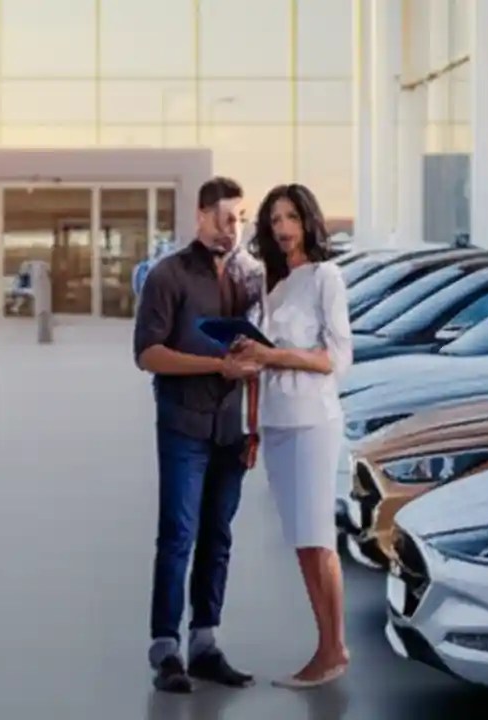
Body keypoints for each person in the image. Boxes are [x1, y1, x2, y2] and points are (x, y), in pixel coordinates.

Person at [132, 176, 265, 694]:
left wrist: (253, 426)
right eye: (225, 218)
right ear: (201, 217)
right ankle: (166, 649)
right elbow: (148, 354)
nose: (233, 229)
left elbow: (255, 356)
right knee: (179, 536)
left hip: (232, 430)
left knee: (218, 538)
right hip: (183, 425)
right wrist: (215, 365)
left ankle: (205, 644)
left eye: (240, 220)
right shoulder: (168, 276)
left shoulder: (247, 280)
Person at [230, 183, 353, 688]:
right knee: (302, 542)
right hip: (277, 424)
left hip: (313, 422)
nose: (282, 229)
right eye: (274, 219)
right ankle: (325, 646)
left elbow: (336, 359)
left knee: (319, 538)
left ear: (308, 221)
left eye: (290, 218)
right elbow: (259, 361)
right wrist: (252, 425)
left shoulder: (326, 276)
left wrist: (272, 356)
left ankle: (334, 649)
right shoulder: (271, 286)